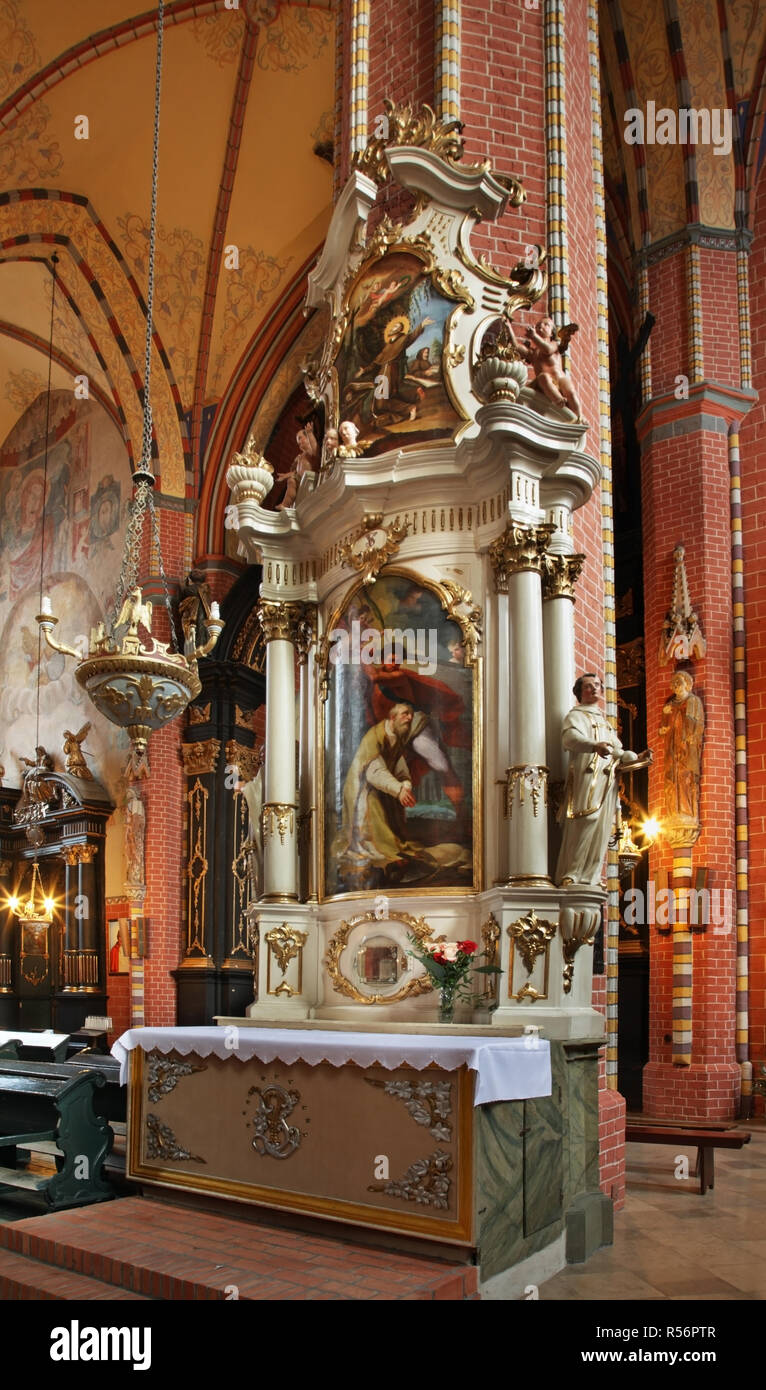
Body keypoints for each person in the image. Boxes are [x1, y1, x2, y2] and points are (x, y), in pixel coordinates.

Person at [333, 701, 469, 887]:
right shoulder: (375, 737)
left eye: (411, 715)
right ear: (392, 717)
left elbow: (400, 767)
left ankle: (394, 853)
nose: (409, 718)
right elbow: (375, 772)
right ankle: (377, 853)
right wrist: (398, 790)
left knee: (396, 829)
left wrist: (405, 785)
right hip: (363, 791)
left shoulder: (395, 737)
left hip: (383, 788)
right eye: (405, 714)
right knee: (376, 835)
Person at [556, 673, 651, 888]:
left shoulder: (604, 722)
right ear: (580, 693)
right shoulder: (575, 716)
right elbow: (569, 739)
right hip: (587, 779)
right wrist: (593, 745)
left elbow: (618, 751)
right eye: (588, 686)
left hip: (606, 782)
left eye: (597, 685)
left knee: (601, 827)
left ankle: (590, 876)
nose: (594, 689)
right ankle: (571, 873)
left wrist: (637, 758)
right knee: (585, 821)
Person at [509, 316, 583, 420]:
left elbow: (547, 350)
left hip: (560, 378)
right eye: (538, 325)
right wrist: (508, 326)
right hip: (546, 382)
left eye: (546, 325)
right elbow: (516, 347)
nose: (541, 327)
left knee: (571, 392)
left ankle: (579, 417)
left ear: (552, 333)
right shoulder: (533, 353)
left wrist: (534, 336)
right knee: (543, 377)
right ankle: (558, 400)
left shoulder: (554, 344)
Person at [659, 670, 704, 825]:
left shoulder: (693, 701)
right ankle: (674, 811)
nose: (677, 686)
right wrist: (665, 720)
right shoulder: (670, 705)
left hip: (686, 745)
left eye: (680, 682)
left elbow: (698, 724)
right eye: (675, 683)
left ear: (688, 684)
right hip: (672, 746)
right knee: (673, 776)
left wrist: (692, 737)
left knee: (685, 777)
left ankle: (687, 810)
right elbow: (663, 729)